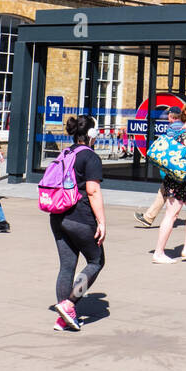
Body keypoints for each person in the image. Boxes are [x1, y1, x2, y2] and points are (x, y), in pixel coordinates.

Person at [48, 114, 106, 331]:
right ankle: (69, 304)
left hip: (58, 215)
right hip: (80, 217)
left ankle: (62, 319)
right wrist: (101, 222)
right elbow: (92, 191)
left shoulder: (65, 152)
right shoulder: (90, 157)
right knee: (96, 261)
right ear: (91, 134)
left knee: (67, 266)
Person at [135, 106, 186, 230]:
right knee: (166, 195)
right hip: (181, 168)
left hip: (179, 168)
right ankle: (149, 218)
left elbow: (172, 147)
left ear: (170, 116)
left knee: (172, 205)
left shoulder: (178, 129)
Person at [151, 101, 186, 264]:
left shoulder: (185, 131)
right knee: (172, 214)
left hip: (180, 179)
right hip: (178, 180)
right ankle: (159, 253)